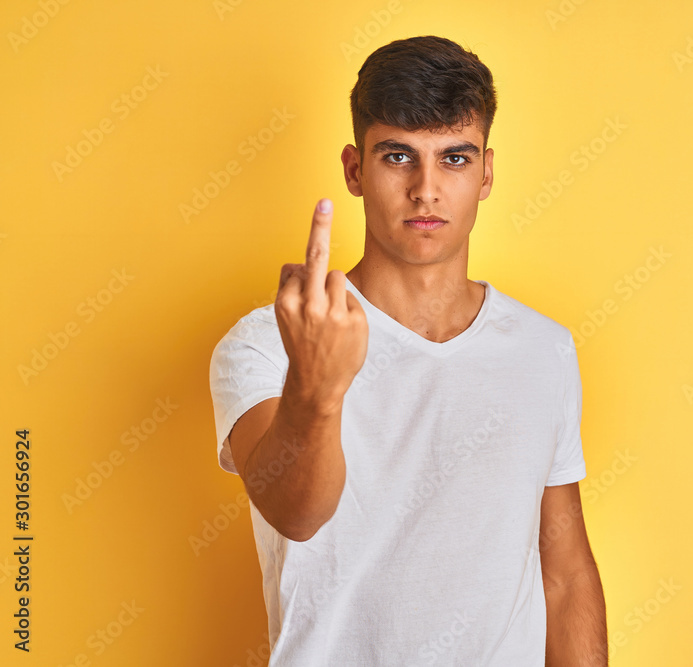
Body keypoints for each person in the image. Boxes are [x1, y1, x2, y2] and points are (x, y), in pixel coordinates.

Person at [208, 34, 607, 666]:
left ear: (487, 173)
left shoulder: (544, 349)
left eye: (454, 158)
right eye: (398, 156)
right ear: (354, 170)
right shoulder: (268, 342)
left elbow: (564, 571)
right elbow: (298, 514)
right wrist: (317, 385)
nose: (426, 189)